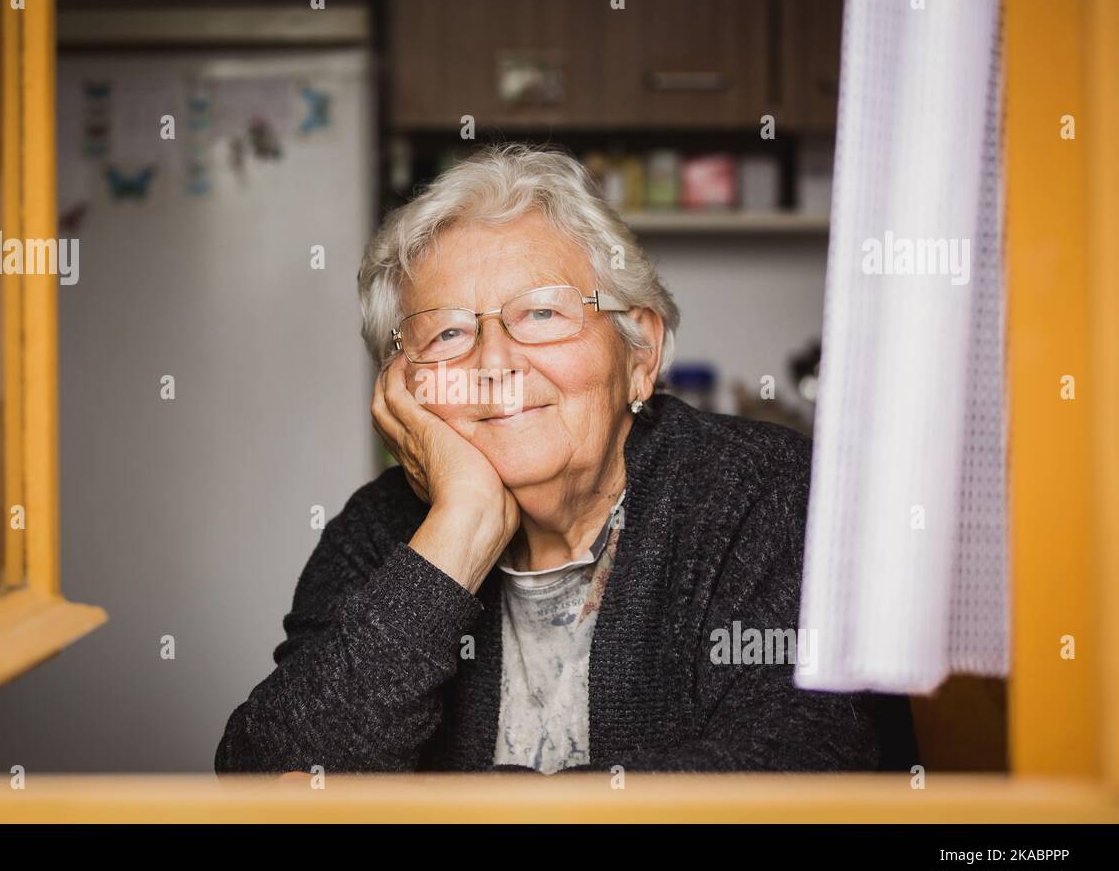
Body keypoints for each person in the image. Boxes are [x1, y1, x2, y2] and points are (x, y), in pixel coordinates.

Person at [215, 143, 915, 775]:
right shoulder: (383, 531)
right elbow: (270, 781)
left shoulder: (764, 493)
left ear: (639, 353)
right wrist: (460, 528)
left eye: (543, 315)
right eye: (448, 332)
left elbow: (800, 768)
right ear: (403, 387)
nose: (494, 362)